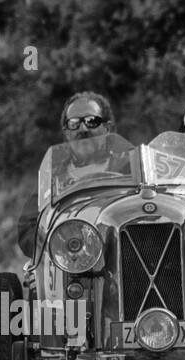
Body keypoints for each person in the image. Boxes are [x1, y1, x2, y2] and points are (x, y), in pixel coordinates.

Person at [18, 92, 121, 259]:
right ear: (66, 133)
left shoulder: (129, 167)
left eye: (91, 121)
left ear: (106, 129)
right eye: (74, 123)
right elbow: (27, 229)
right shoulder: (53, 179)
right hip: (74, 264)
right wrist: (53, 240)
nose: (83, 129)